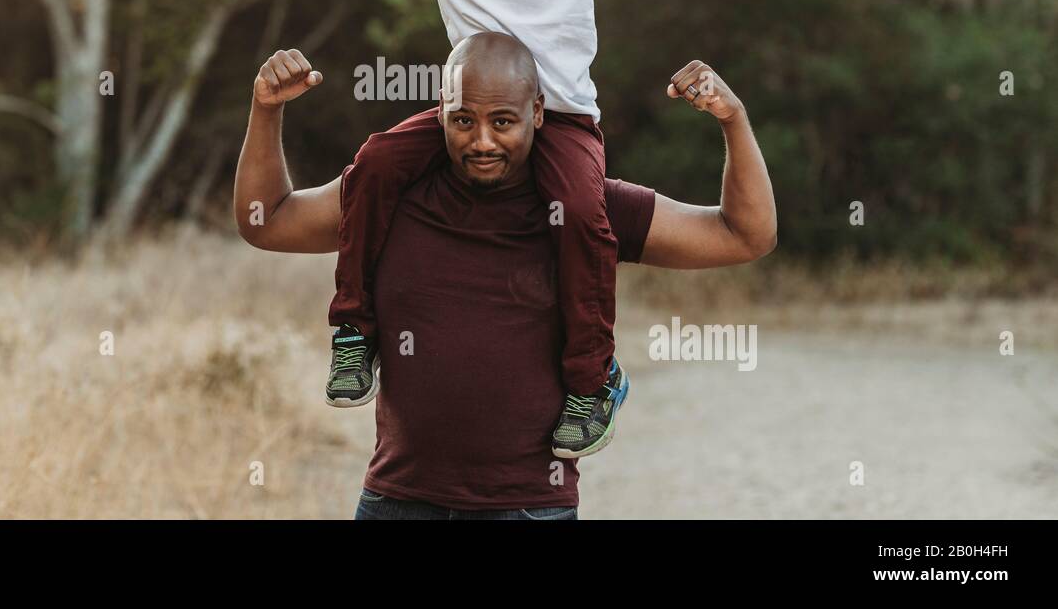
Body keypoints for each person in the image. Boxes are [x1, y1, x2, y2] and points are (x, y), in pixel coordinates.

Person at [326, 0, 720, 456]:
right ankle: (355, 331)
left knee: (581, 209)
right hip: (469, 111)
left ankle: (592, 379)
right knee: (378, 161)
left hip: (561, 114)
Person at [234, 34, 776, 519]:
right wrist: (266, 109)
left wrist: (734, 120)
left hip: (527, 507)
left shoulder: (585, 208)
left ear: (537, 113)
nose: (483, 142)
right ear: (441, 111)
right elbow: (267, 220)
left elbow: (744, 235)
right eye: (464, 120)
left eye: (503, 122)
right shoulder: (390, 194)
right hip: (396, 501)